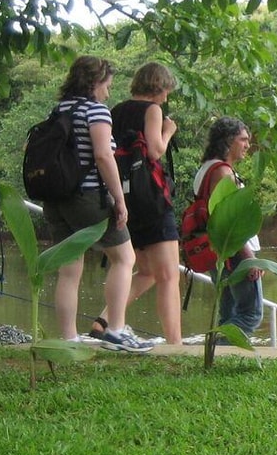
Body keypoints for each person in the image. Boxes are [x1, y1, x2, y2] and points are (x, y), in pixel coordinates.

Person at [42, 55, 152, 352]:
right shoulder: (96, 111)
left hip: (57, 199)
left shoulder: (59, 110)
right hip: (89, 198)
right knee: (124, 258)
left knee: (69, 268)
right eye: (107, 85)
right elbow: (104, 156)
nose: (108, 92)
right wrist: (119, 199)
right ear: (94, 83)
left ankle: (69, 339)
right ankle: (115, 330)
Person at [89, 62, 181, 344]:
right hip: (151, 199)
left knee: (148, 272)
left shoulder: (116, 110)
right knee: (168, 275)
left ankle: (104, 320)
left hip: (126, 199)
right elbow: (154, 151)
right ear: (158, 87)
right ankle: (175, 343)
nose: (166, 97)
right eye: (166, 91)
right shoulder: (152, 110)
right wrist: (168, 131)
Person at [194, 117, 263, 337]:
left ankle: (218, 359)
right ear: (228, 141)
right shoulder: (223, 173)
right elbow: (228, 221)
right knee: (249, 313)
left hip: (217, 251)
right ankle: (218, 349)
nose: (247, 145)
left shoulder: (205, 169)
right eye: (243, 139)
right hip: (232, 252)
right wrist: (249, 257)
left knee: (228, 312)